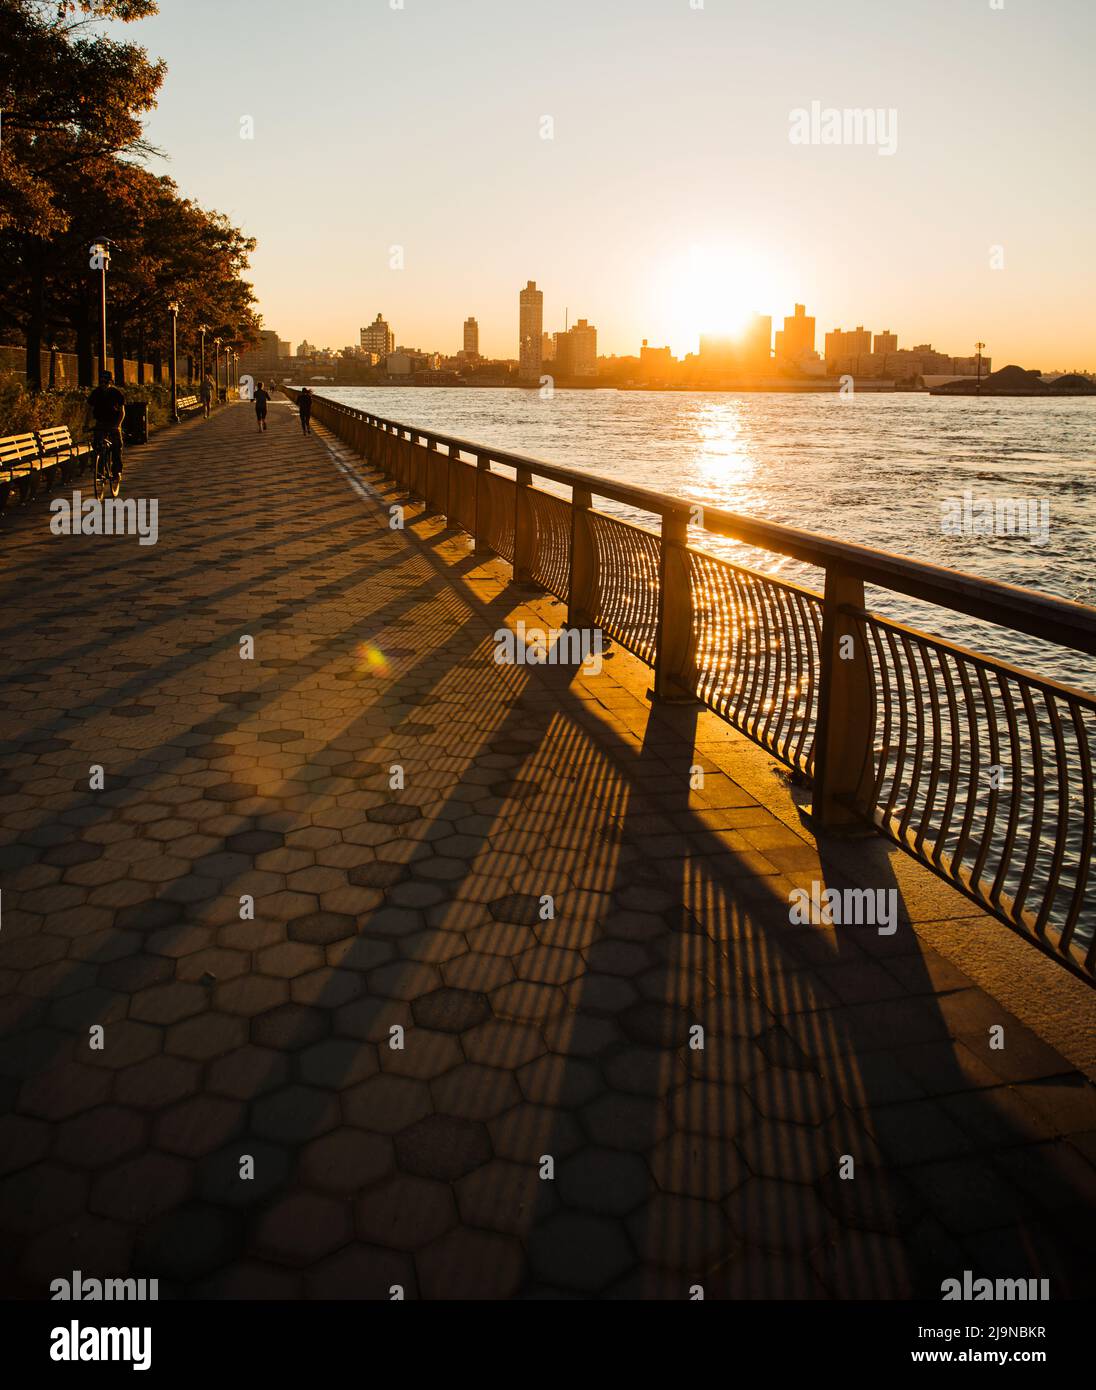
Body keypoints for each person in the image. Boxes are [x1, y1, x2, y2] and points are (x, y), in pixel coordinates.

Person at [86, 371, 126, 480]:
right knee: (97, 446)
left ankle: (116, 471)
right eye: (101, 382)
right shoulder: (96, 393)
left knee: (117, 446)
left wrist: (117, 425)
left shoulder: (116, 393)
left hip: (113, 423)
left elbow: (122, 411)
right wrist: (86, 424)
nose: (103, 384)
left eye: (106, 382)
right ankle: (99, 471)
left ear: (110, 382)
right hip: (100, 423)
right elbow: (90, 410)